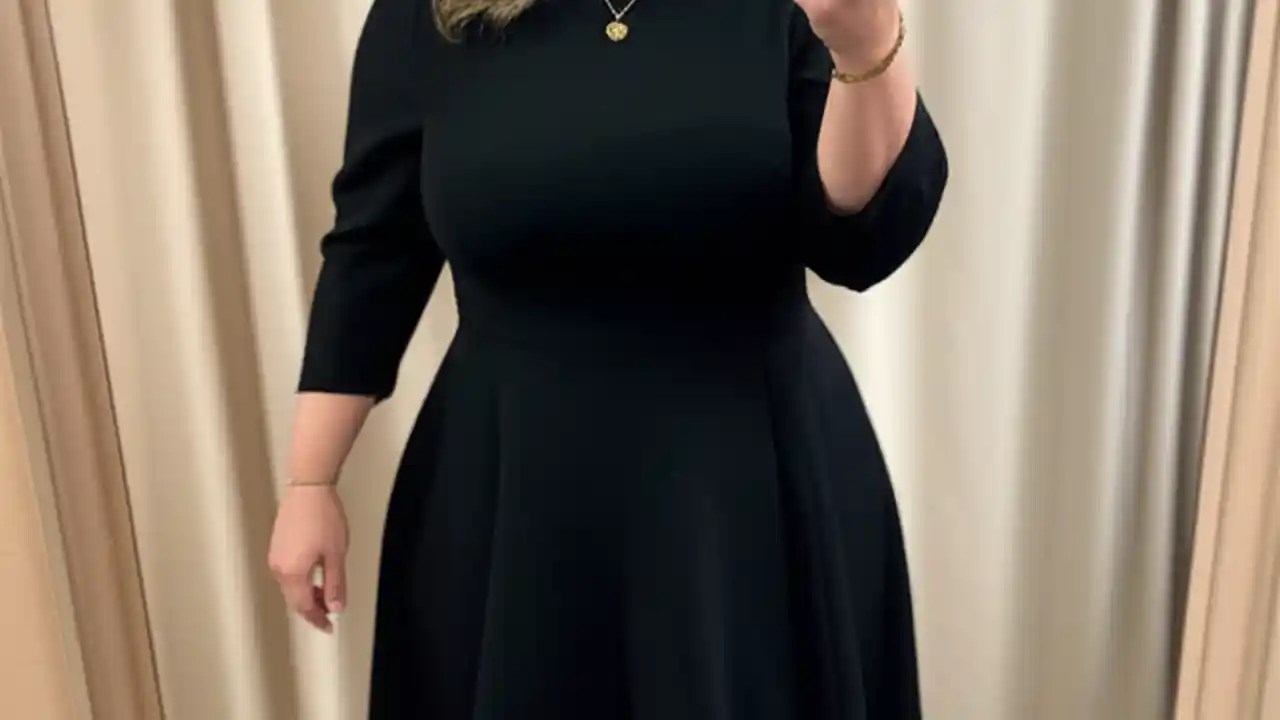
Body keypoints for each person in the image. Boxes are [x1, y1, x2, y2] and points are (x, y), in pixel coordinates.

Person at [268, 0, 947, 715]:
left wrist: (865, 42)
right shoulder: (430, 13)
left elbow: (863, 240)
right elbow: (375, 250)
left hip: (753, 483)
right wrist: (311, 481)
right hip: (509, 492)